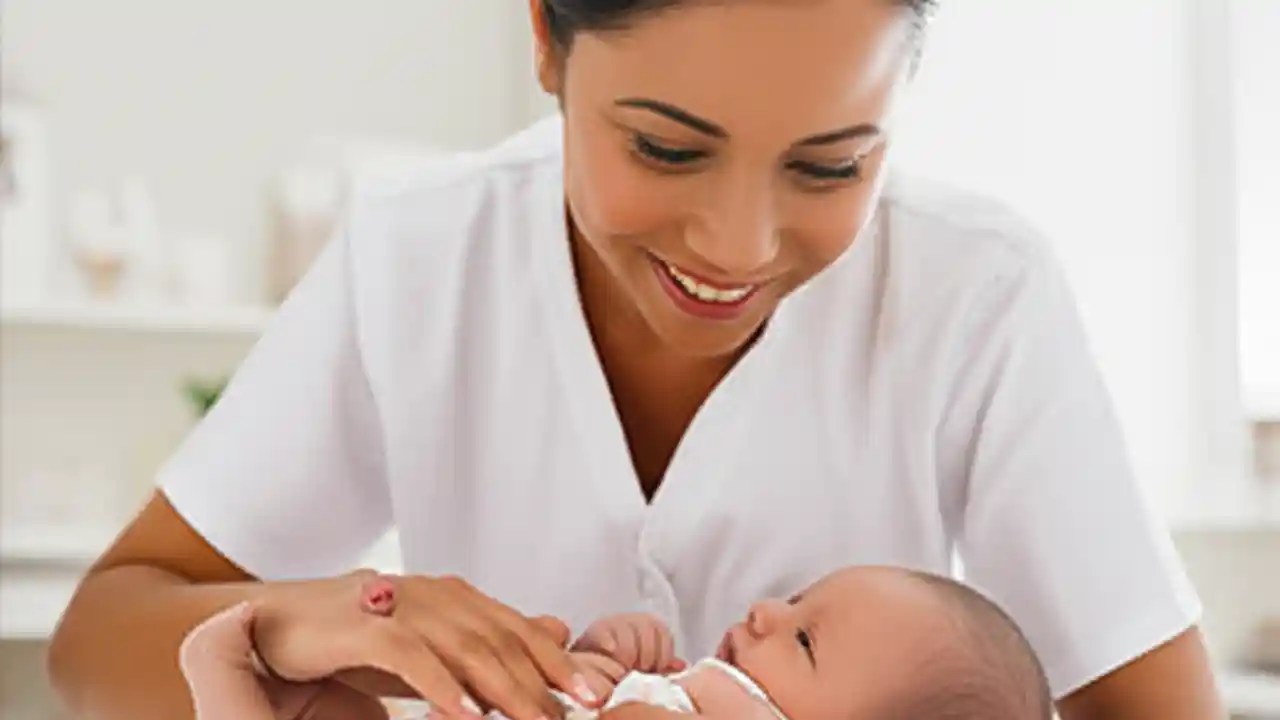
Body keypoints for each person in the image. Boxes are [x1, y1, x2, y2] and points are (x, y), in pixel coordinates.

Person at [48, 0, 1223, 718]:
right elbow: (102, 641)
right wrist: (331, 621)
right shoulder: (419, 255)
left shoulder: (976, 290)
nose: (736, 247)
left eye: (828, 166)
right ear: (545, 43)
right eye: (665, 148)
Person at [181, 567, 1052, 719]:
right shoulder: (689, 681)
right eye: (794, 600)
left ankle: (222, 669)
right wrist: (607, 653)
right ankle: (226, 665)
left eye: (807, 642)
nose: (761, 613)